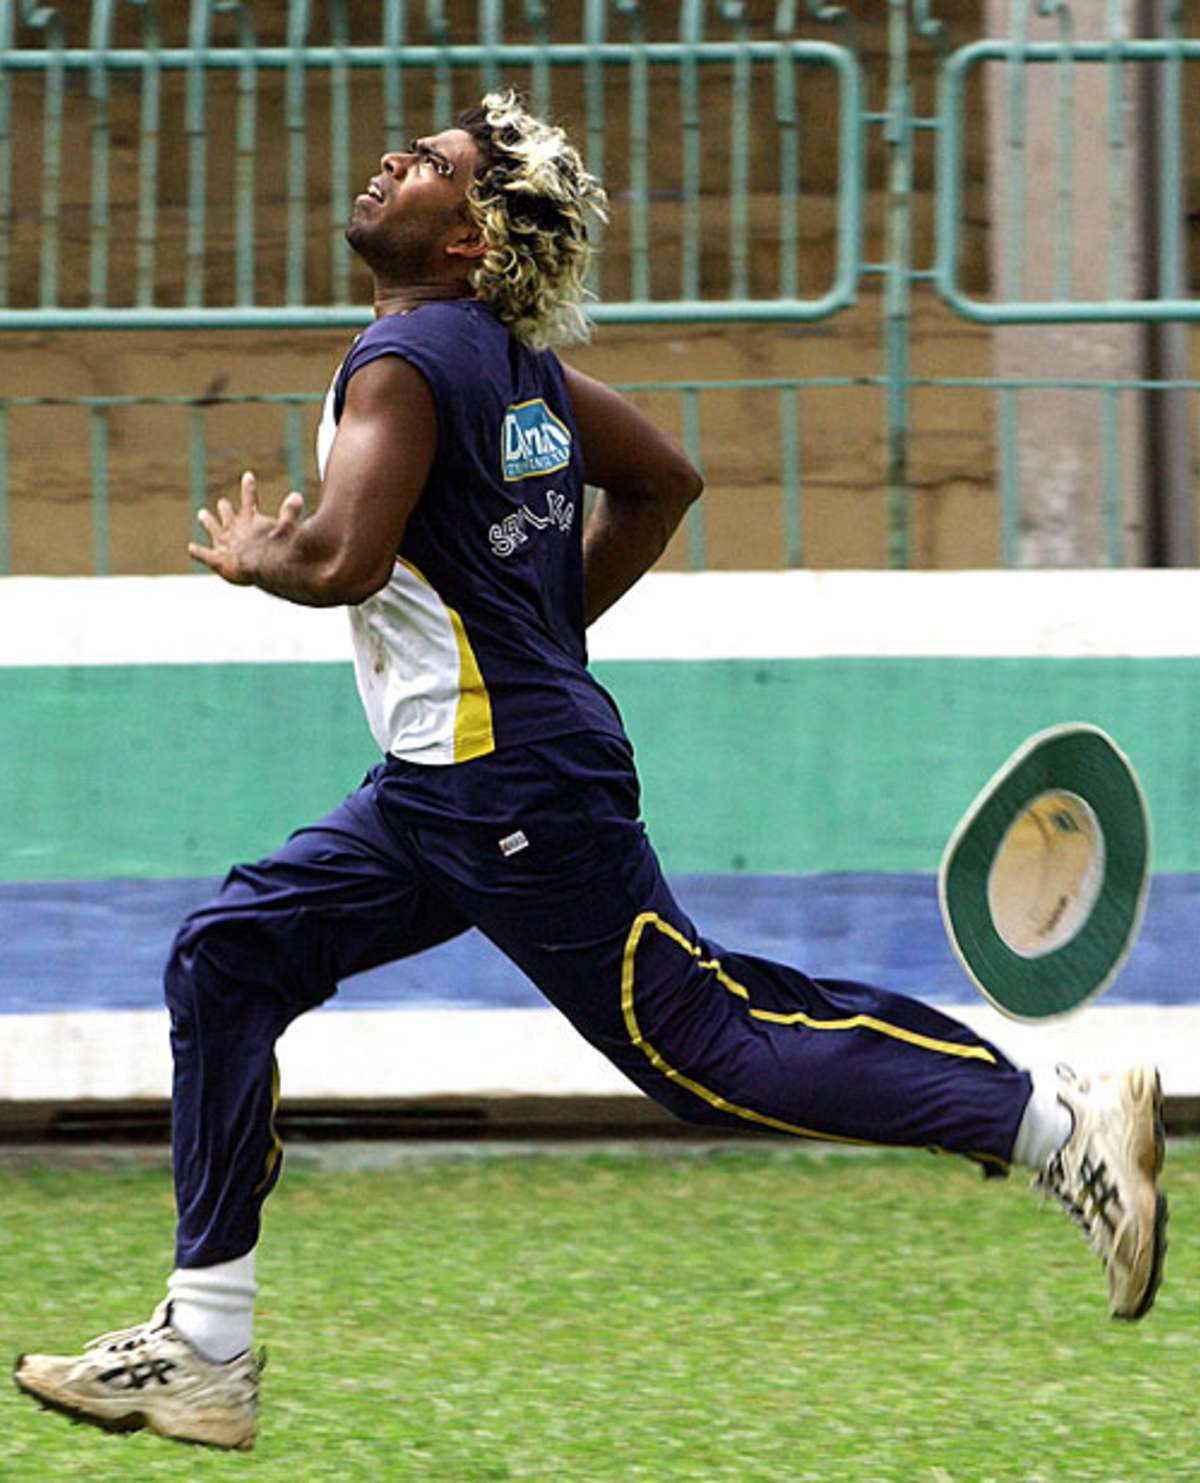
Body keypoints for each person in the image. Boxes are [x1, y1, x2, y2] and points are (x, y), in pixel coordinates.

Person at [14, 90, 1167, 1453]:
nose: (395, 160)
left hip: (505, 792)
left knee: (702, 1043)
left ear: (471, 243)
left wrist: (272, 558)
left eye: (434, 167)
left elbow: (343, 560)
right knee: (229, 959)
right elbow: (667, 481)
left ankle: (1051, 1122)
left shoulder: (402, 361)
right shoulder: (514, 368)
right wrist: (538, 643)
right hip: (445, 786)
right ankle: (203, 1345)